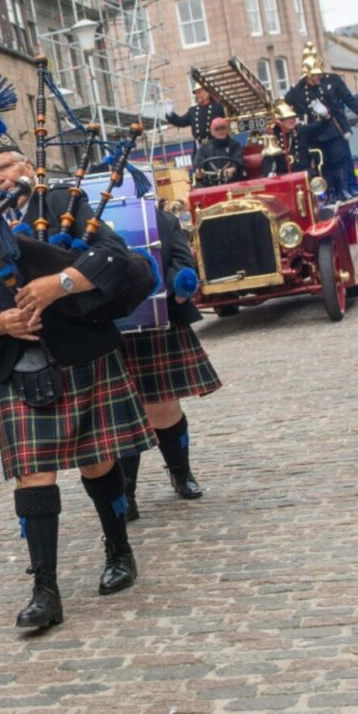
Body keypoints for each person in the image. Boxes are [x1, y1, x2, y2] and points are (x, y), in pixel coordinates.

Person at [0, 115, 150, 632]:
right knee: (32, 475)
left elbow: (115, 258)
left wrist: (58, 284)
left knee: (96, 462)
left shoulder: (65, 204)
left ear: (25, 165)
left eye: (6, 166)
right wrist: (0, 320)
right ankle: (45, 589)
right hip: (22, 364)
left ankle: (119, 550)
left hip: (83, 353)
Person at [115, 176, 221, 519]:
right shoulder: (89, 219)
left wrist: (180, 281)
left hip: (159, 318)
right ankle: (124, 493)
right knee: (120, 414)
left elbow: (179, 256)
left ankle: (180, 473)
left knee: (164, 407)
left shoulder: (161, 218)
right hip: (110, 328)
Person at [284, 44, 358, 199]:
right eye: (314, 75)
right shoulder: (297, 90)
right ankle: (329, 192)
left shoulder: (329, 83)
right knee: (322, 163)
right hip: (313, 132)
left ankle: (344, 189)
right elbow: (287, 105)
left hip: (331, 127)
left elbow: (345, 100)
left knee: (340, 159)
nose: (318, 77)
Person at [194, 115, 248, 183]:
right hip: (211, 184)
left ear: (227, 129)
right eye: (217, 129)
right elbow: (198, 161)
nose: (221, 132)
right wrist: (199, 169)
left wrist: (233, 168)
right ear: (212, 132)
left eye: (223, 128)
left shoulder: (234, 145)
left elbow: (239, 159)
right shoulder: (205, 148)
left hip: (233, 181)